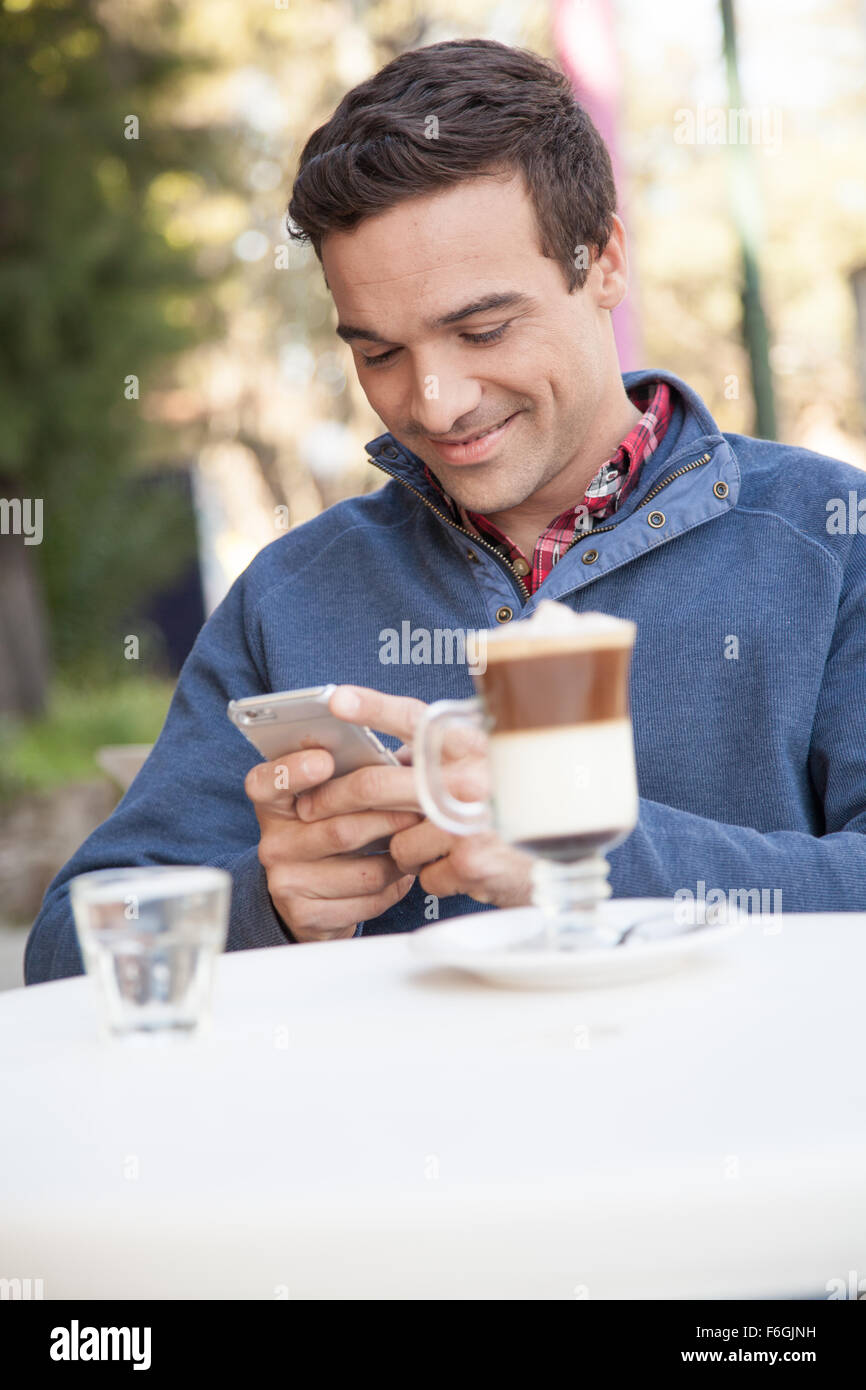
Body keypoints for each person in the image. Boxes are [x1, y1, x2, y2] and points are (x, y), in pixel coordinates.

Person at [25, 38, 866, 984]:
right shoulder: (290, 595)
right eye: (378, 352)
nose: (435, 402)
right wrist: (267, 906)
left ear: (604, 263)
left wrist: (597, 857)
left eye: (482, 329)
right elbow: (66, 956)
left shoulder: (834, 541)